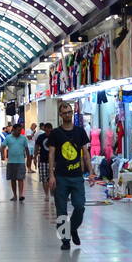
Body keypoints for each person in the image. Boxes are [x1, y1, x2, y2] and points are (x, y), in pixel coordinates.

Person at [48, 102, 92, 250]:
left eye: (69, 112)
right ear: (60, 115)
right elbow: (52, 154)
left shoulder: (80, 132)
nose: (67, 115)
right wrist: (51, 175)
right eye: (64, 112)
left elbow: (85, 154)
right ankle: (65, 240)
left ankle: (72, 228)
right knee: (61, 210)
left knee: (79, 206)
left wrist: (91, 172)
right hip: (60, 177)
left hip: (77, 176)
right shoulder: (55, 133)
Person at [0, 122, 29, 201]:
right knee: (13, 179)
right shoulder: (8, 137)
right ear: (14, 130)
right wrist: (2, 154)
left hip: (21, 162)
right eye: (18, 130)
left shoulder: (23, 138)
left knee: (20, 178)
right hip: (11, 162)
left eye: (20, 130)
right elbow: (3, 146)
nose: (19, 132)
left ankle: (20, 195)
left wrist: (29, 159)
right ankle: (15, 195)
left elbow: (26, 149)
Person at [36, 122, 53, 192]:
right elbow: (36, 147)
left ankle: (52, 194)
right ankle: (46, 194)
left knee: (52, 178)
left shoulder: (54, 136)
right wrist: (35, 157)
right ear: (44, 129)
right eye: (46, 129)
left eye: (49, 129)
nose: (48, 131)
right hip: (43, 160)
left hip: (52, 160)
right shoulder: (41, 137)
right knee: (44, 179)